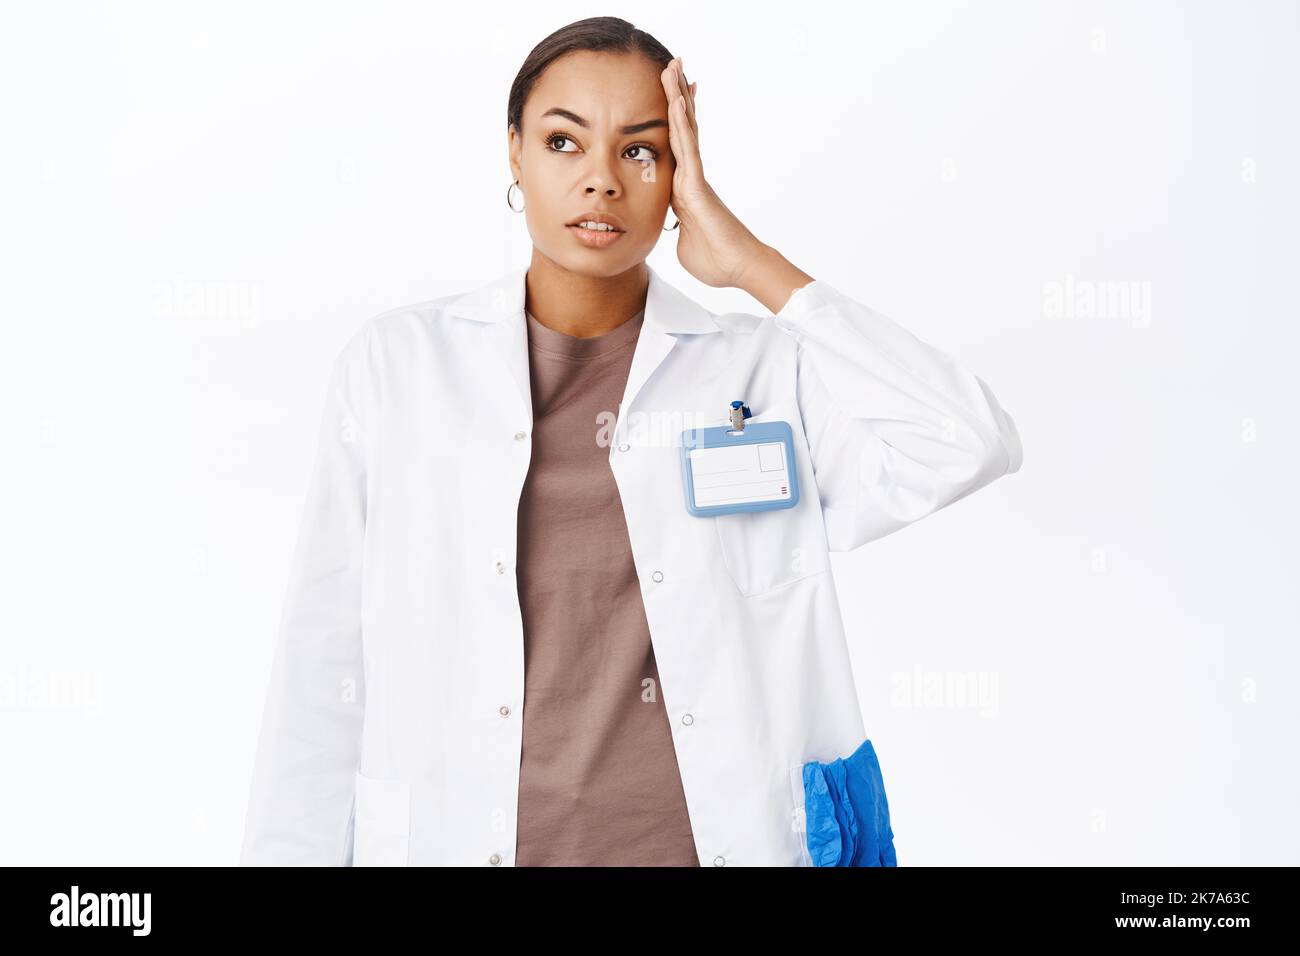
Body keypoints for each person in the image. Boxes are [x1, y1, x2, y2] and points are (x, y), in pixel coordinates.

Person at [239, 16, 1023, 867]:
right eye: (564, 142)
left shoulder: (763, 376)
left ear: (680, 171)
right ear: (514, 155)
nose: (601, 182)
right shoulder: (398, 369)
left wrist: (751, 262)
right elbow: (322, 671)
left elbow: (967, 440)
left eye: (640, 150)